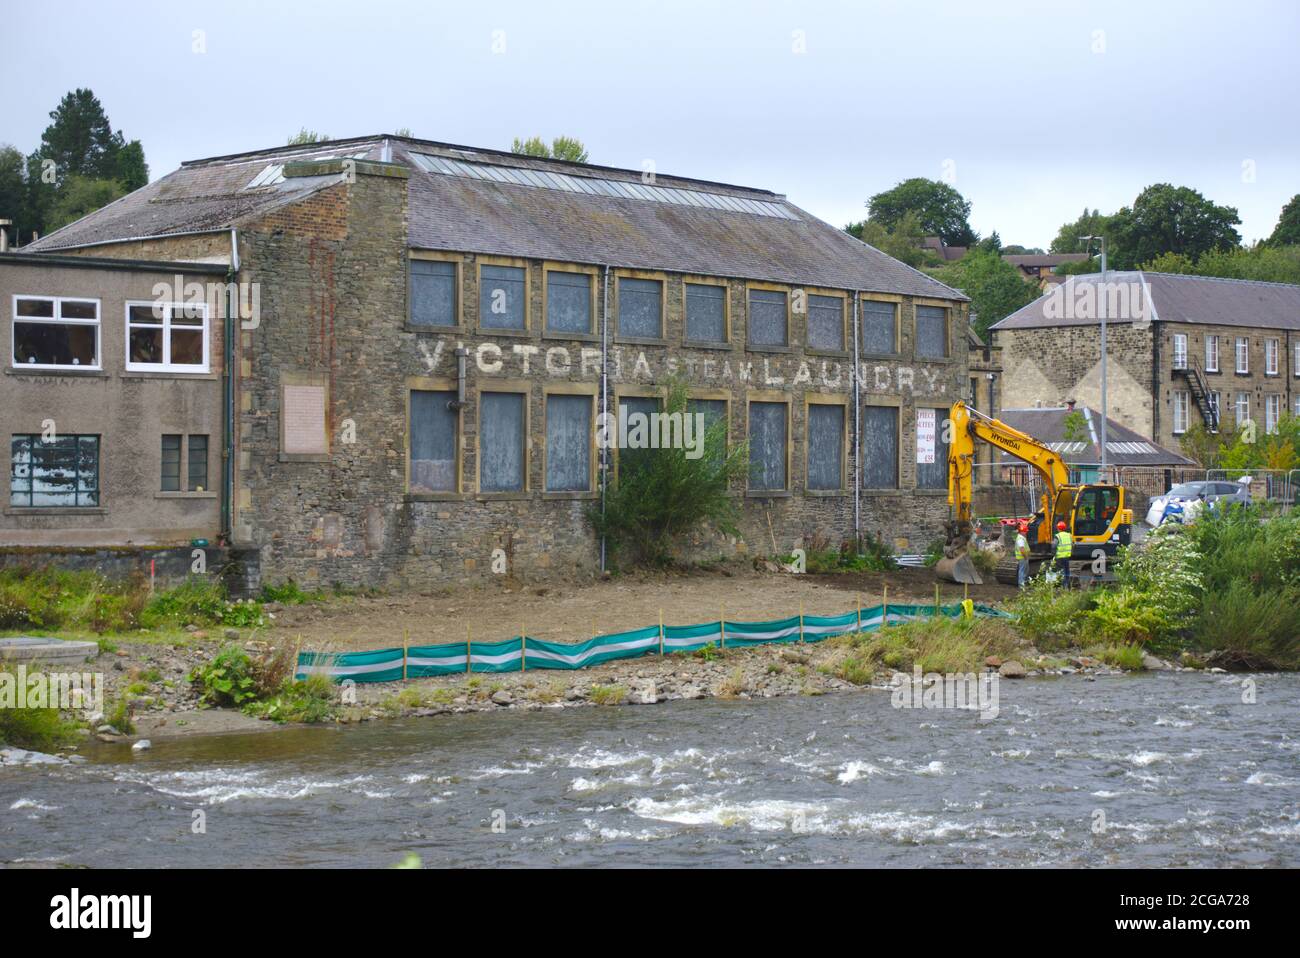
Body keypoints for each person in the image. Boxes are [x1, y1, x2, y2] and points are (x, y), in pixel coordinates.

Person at [1054, 520, 1073, 586]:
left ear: (1058, 528)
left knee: (1061, 571)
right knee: (1067, 571)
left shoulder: (1057, 536)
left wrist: (1053, 554)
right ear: (1064, 528)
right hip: (1067, 556)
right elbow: (1073, 544)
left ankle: (1063, 585)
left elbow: (1054, 546)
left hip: (1059, 557)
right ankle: (1067, 585)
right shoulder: (1069, 535)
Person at [1015, 520, 1031, 589]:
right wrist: (1026, 557)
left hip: (1023, 557)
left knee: (1024, 571)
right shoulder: (1020, 539)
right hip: (1023, 557)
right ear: (1022, 531)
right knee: (1022, 571)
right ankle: (1021, 585)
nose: (1026, 533)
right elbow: (1022, 549)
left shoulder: (1021, 538)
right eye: (1025, 531)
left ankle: (1023, 583)